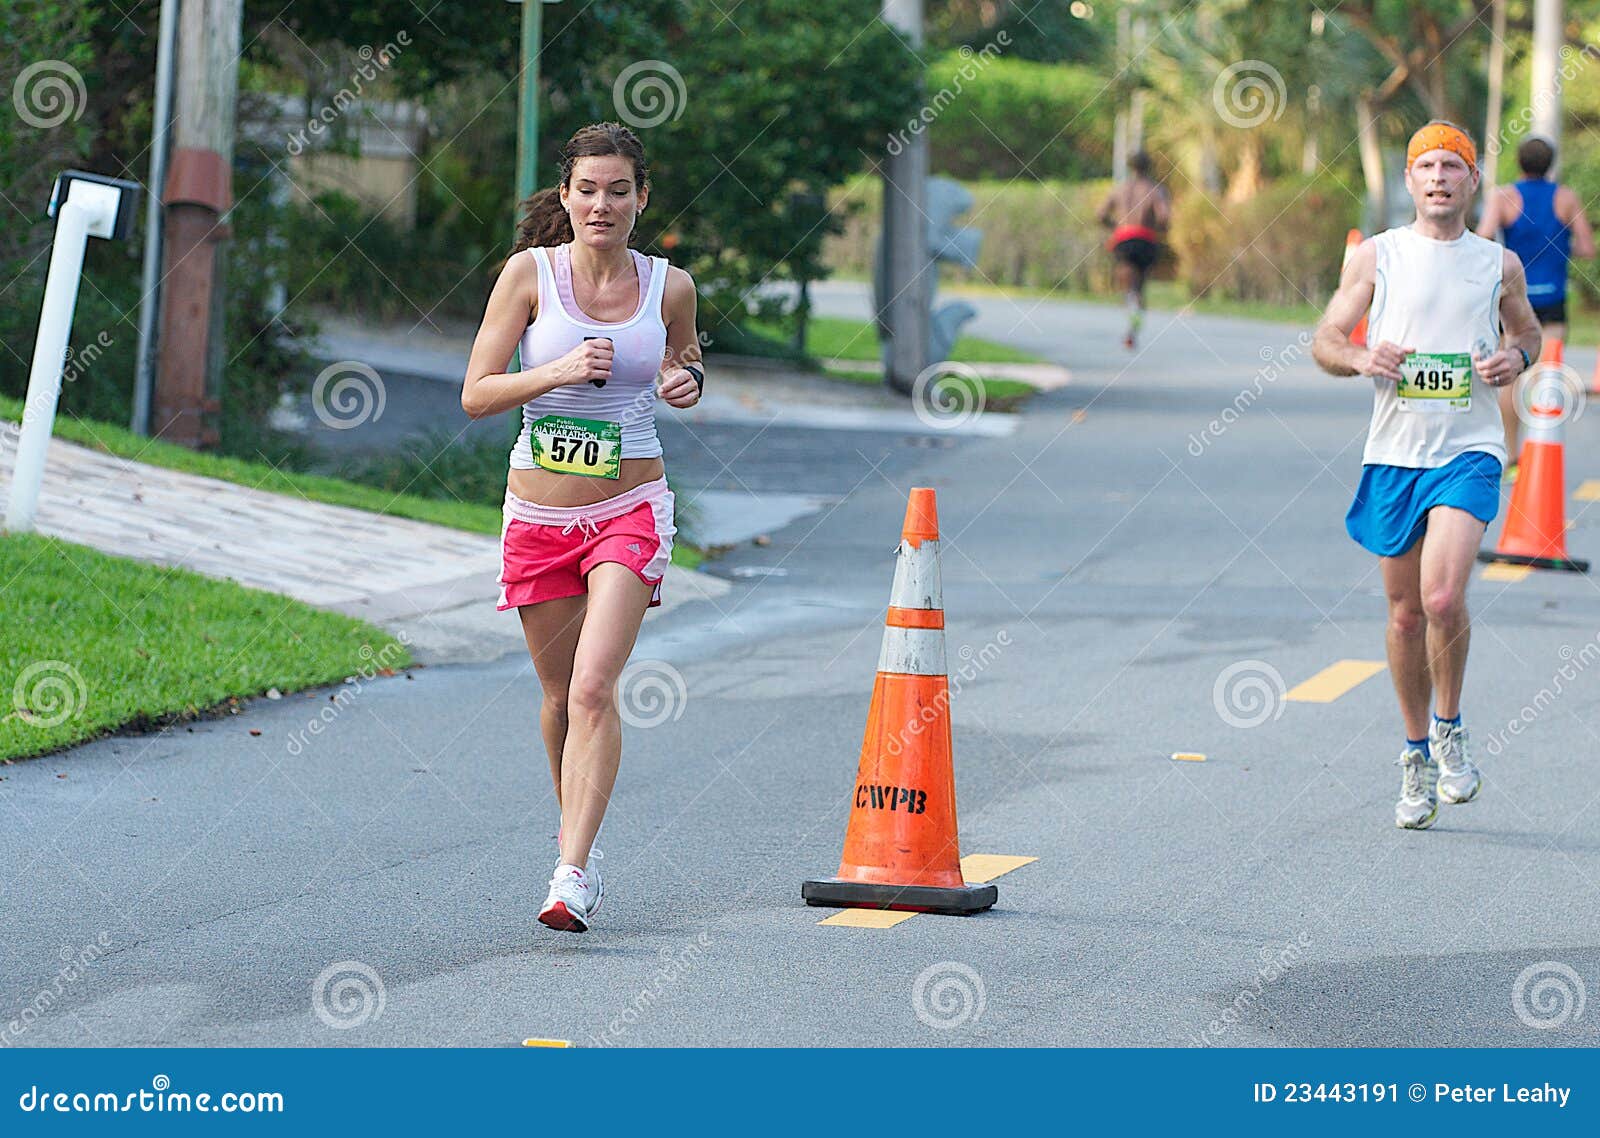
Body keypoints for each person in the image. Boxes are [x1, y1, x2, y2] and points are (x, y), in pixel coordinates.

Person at [461, 122, 704, 930]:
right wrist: (559, 370)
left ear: (643, 199)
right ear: (566, 196)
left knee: (597, 685)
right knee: (561, 696)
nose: (603, 203)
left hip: (630, 508)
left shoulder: (669, 286)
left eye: (620, 190)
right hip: (538, 513)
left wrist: (685, 380)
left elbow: (687, 356)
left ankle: (570, 874)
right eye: (588, 189)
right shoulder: (529, 275)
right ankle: (580, 843)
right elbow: (477, 392)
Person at [1312, 121, 1542, 830]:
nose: (1439, 176)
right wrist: (1358, 358)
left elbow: (1526, 332)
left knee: (1443, 597)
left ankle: (1450, 727)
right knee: (1405, 612)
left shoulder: (1497, 264)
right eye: (1427, 166)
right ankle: (1414, 752)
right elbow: (1324, 339)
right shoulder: (1378, 257)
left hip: (1468, 450)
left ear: (1473, 182)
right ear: (1410, 181)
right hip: (1393, 456)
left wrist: (1518, 361)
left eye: (1453, 165)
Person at [1475, 135, 1597, 476]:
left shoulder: (1504, 197)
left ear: (1519, 163)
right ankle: (1542, 456)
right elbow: (1587, 248)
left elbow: (1482, 239)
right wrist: (1560, 249)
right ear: (1551, 164)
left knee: (1510, 378)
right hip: (1552, 300)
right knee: (1547, 379)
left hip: (1513, 299)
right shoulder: (1566, 198)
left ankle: (1511, 459)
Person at [1098, 151, 1171, 349]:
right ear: (1149, 167)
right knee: (1141, 284)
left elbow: (1100, 214)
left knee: (1126, 274)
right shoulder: (1155, 190)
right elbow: (1164, 217)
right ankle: (1133, 327)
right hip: (1146, 239)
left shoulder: (1119, 189)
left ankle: (1129, 296)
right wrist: (1159, 230)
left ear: (1130, 167)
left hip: (1123, 239)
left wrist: (1115, 226)